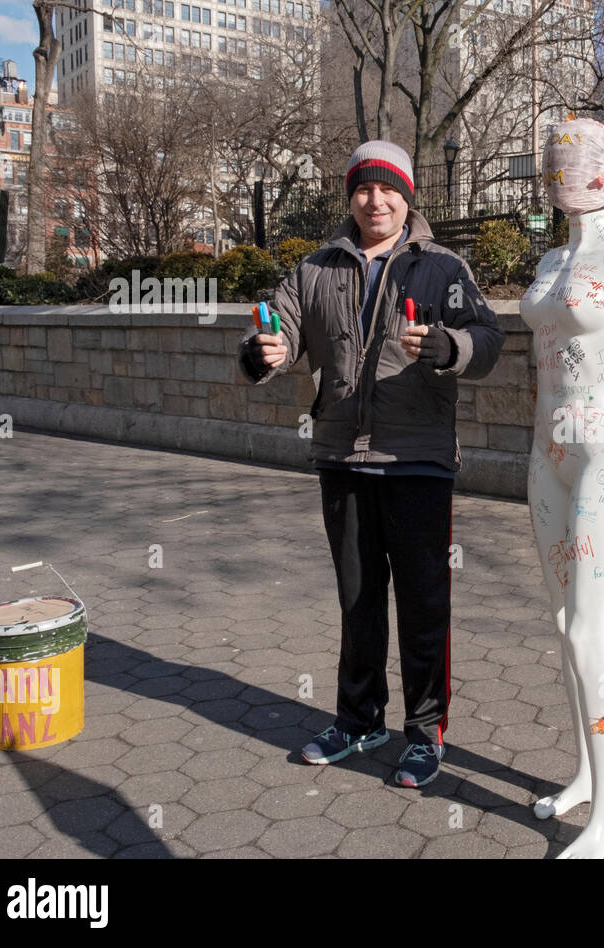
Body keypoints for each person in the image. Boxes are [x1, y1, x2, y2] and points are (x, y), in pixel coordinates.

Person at [238, 140, 505, 788]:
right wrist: (261, 351)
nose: (374, 200)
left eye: (387, 189)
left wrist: (448, 346)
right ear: (350, 195)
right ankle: (358, 721)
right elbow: (281, 329)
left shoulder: (440, 267)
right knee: (358, 602)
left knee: (422, 604)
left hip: (417, 461)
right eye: (363, 188)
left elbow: (489, 340)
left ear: (406, 196)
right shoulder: (317, 268)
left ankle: (424, 734)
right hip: (343, 458)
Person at [520, 118, 604, 858]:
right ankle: (581, 775)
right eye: (550, 164)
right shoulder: (549, 258)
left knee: (584, 630)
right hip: (547, 451)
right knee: (561, 623)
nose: (558, 174)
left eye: (574, 161)